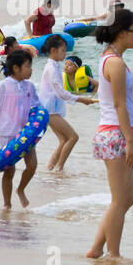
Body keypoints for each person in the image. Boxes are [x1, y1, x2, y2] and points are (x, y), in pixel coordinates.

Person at [86, 8, 133, 260]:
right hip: (113, 135)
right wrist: (129, 140)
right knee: (119, 200)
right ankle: (113, 255)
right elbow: (119, 105)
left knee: (128, 198)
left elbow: (123, 105)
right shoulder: (114, 62)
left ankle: (96, 249)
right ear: (122, 33)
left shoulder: (111, 57)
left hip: (116, 131)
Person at [0, 48, 42, 208]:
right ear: (16, 68)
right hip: (7, 133)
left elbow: (36, 107)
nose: (31, 70)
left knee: (32, 165)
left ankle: (21, 189)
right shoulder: (4, 86)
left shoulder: (30, 86)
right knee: (9, 171)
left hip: (25, 133)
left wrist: (42, 119)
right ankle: (7, 204)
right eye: (28, 66)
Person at [38, 34, 96, 172]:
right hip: (50, 111)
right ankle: (59, 168)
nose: (65, 53)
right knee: (73, 137)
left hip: (51, 110)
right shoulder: (51, 68)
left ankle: (50, 168)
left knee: (64, 140)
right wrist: (82, 100)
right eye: (63, 50)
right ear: (53, 50)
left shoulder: (54, 66)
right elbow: (60, 93)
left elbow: (60, 92)